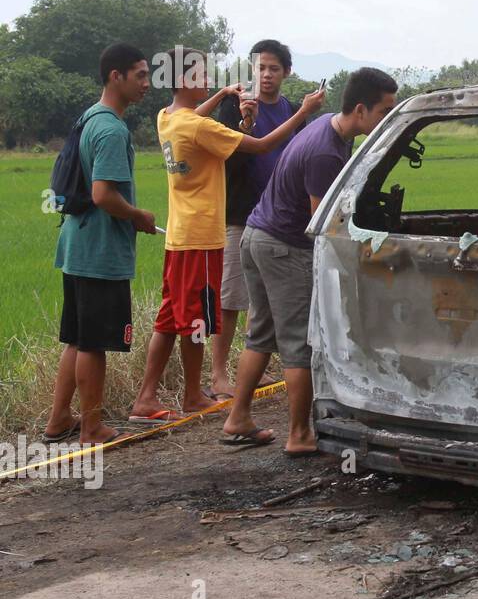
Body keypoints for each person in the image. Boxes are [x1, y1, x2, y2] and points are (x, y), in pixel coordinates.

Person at [129, 47, 323, 422]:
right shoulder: (200, 127)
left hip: (180, 237)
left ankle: (152, 396)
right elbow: (263, 146)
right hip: (202, 236)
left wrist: (224, 99)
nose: (208, 81)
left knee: (170, 319)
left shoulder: (167, 118)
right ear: (185, 80)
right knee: (198, 320)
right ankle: (190, 395)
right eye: (202, 76)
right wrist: (304, 113)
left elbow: (202, 125)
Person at [222, 67, 397, 453]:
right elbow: (323, 226)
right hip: (283, 247)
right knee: (299, 342)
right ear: (361, 109)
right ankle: (299, 434)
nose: (387, 120)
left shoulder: (325, 127)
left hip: (256, 237)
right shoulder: (326, 152)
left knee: (260, 335)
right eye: (384, 111)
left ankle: (238, 418)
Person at [44, 44, 157, 446]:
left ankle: (60, 419)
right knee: (94, 343)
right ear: (116, 76)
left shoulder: (89, 118)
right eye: (140, 75)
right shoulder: (111, 129)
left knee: (78, 337)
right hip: (100, 252)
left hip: (77, 245)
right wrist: (138, 216)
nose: (147, 83)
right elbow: (103, 195)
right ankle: (91, 428)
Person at [208, 39, 303, 400]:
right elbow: (226, 158)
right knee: (231, 297)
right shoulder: (233, 109)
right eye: (260, 68)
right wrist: (246, 122)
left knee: (263, 299)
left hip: (279, 218)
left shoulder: (293, 111)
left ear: (286, 73)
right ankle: (218, 376)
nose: (266, 75)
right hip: (240, 213)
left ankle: (253, 369)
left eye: (273, 68)